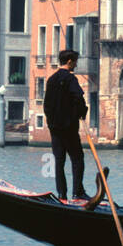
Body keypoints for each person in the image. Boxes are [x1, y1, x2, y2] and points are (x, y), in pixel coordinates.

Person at [43, 49, 89, 199]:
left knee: (59, 161)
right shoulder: (70, 79)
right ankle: (77, 193)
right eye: (75, 62)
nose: (76, 65)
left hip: (55, 128)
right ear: (69, 61)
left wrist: (51, 123)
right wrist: (81, 112)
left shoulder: (51, 79)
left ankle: (62, 194)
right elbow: (78, 98)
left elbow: (46, 106)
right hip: (68, 128)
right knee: (77, 159)